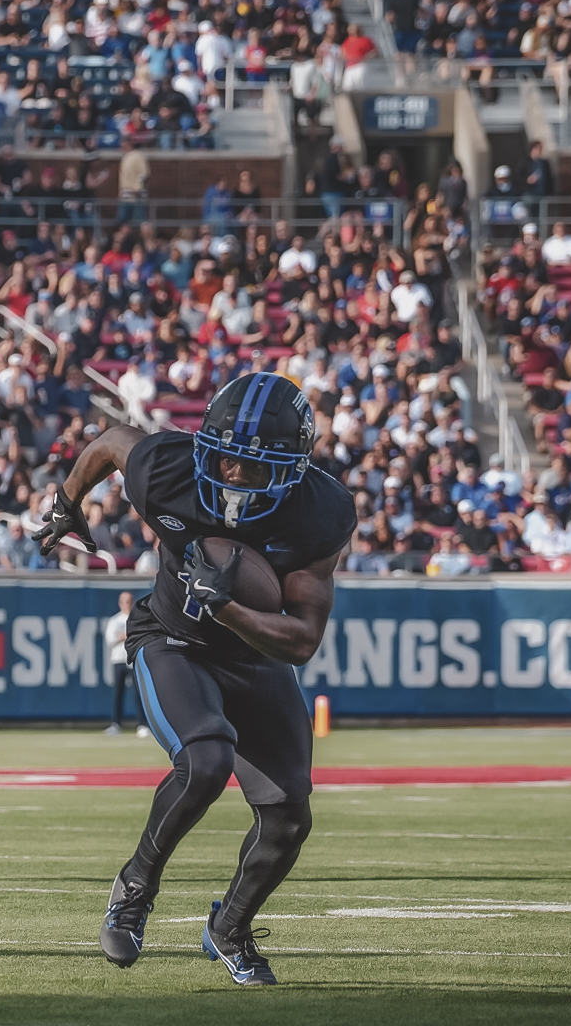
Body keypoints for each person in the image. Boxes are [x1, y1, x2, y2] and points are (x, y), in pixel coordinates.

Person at [34, 372, 352, 986]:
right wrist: (66, 505)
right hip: (172, 639)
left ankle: (228, 928)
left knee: (289, 818)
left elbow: (305, 638)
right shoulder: (170, 468)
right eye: (224, 458)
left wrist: (230, 607)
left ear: (291, 469)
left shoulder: (320, 510)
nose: (232, 474)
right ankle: (136, 885)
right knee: (205, 759)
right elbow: (110, 442)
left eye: (251, 466)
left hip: (256, 657)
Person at [103, 590, 141, 736]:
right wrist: (126, 635)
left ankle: (142, 724)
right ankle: (116, 723)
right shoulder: (115, 620)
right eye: (125, 602)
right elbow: (110, 640)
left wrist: (125, 635)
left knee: (138, 693)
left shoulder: (137, 619)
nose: (127, 604)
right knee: (118, 693)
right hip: (118, 659)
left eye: (130, 601)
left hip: (134, 659)